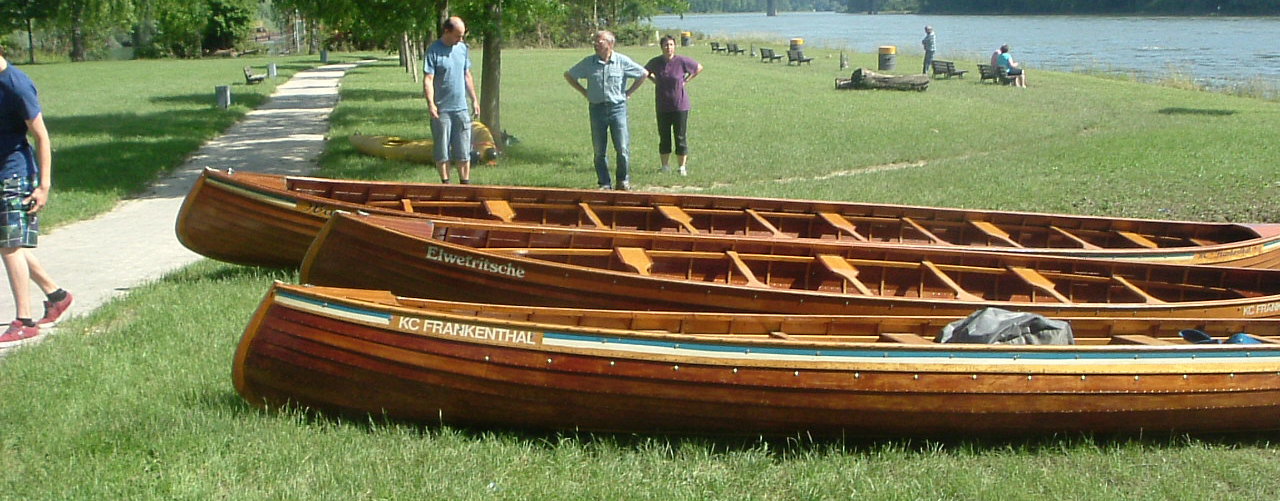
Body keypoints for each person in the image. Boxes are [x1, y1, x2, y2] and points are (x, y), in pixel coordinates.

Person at [0, 46, 72, 348]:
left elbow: (42, 136)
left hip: (14, 174)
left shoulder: (16, 84)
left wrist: (44, 185)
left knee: (9, 246)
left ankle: (24, 321)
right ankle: (57, 296)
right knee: (7, 241)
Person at [564, 31, 648, 190]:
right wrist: (584, 92)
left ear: (610, 44)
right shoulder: (589, 62)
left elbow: (643, 74)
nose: (595, 44)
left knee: (622, 148)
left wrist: (629, 93)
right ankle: (604, 183)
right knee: (599, 150)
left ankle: (623, 181)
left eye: (599, 41)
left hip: (618, 109)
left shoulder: (622, 61)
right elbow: (569, 75)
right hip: (597, 109)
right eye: (594, 41)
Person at [423, 16, 480, 184]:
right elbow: (428, 79)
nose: (460, 39)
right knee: (442, 151)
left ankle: (465, 184)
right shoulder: (433, 51)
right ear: (447, 31)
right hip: (442, 110)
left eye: (462, 36)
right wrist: (431, 104)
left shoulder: (462, 49)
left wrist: (474, 100)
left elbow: (467, 75)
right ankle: (446, 184)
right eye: (457, 35)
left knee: (463, 151)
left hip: (461, 109)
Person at [644, 35, 702, 177]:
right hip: (663, 105)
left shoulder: (681, 61)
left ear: (674, 47)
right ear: (661, 47)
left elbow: (699, 67)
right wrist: (654, 80)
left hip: (680, 105)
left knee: (680, 136)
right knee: (664, 137)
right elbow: (644, 72)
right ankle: (665, 166)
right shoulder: (656, 62)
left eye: (671, 45)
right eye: (665, 45)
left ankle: (681, 167)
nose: (668, 48)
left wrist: (686, 80)